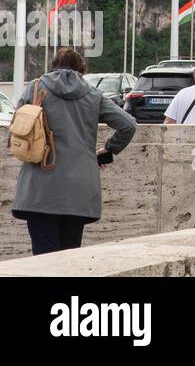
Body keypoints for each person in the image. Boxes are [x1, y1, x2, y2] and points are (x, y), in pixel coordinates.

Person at [10, 47, 137, 256]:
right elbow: (128, 125)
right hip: (79, 192)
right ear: (81, 70)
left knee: (43, 260)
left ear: (53, 66)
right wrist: (107, 150)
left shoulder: (35, 88)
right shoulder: (94, 95)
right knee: (69, 258)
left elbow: (18, 126)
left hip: (39, 187)